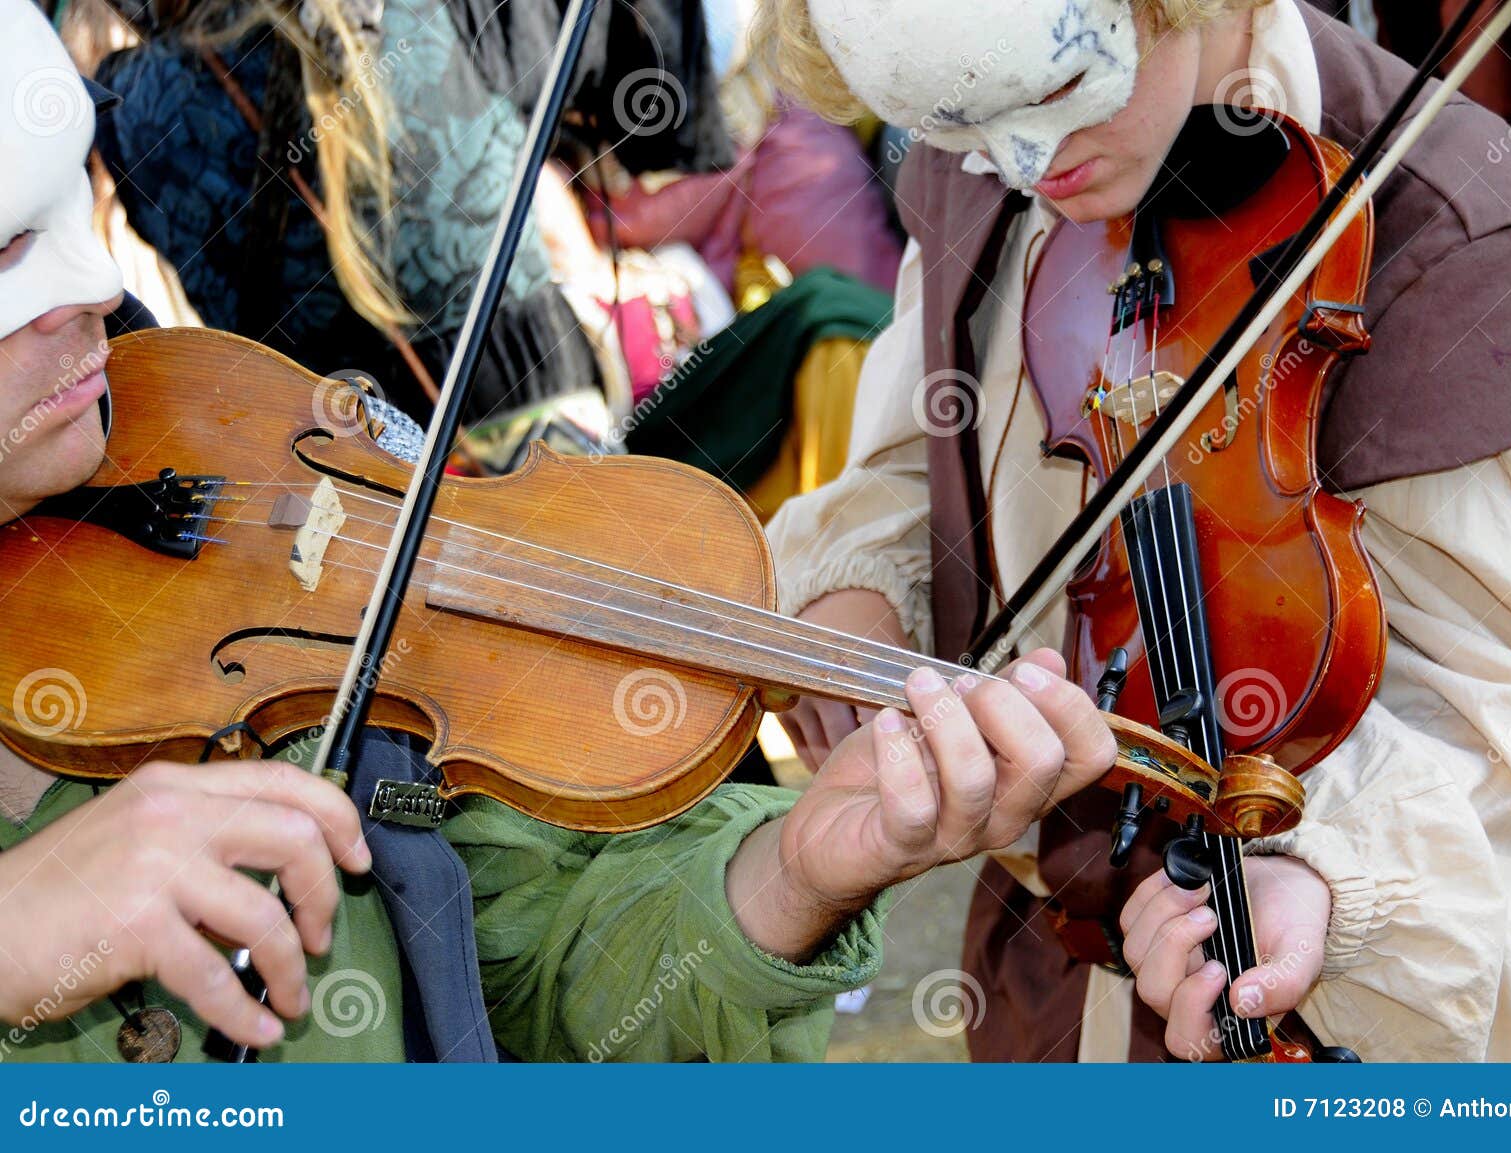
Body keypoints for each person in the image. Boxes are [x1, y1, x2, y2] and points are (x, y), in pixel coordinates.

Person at [0, 0, 1118, 1062]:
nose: (98, 280)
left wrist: (791, 880)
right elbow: (670, 100)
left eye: (78, 200)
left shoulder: (184, 421)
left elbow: (524, 1007)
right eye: (8, 250)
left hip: (423, 433)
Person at [757, 0, 1511, 1061]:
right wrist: (863, 591)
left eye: (1058, 92)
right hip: (1042, 981)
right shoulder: (987, 144)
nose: (1022, 162)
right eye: (958, 123)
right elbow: (922, 437)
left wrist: (1336, 891)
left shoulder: (1444, 233)